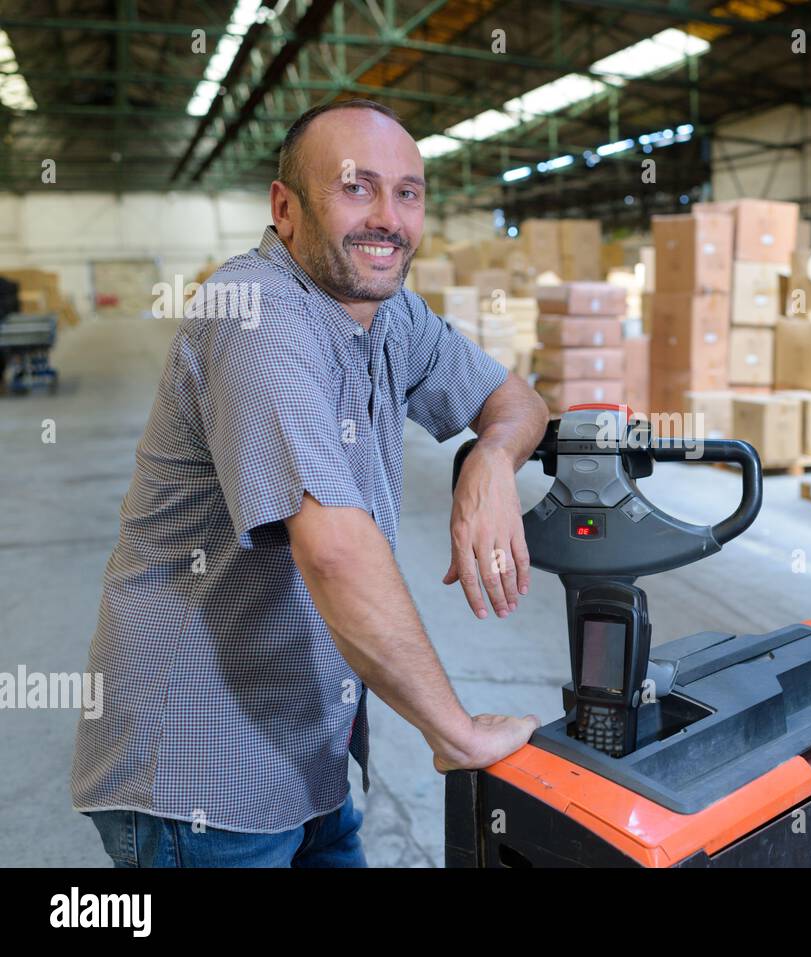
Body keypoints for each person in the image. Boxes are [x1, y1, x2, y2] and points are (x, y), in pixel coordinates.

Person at [71, 99, 548, 867]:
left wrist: (487, 459)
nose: (388, 218)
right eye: (356, 188)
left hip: (309, 758)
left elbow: (516, 398)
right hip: (201, 780)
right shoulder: (256, 315)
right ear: (285, 208)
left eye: (409, 192)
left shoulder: (388, 314)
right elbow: (334, 551)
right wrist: (455, 732)